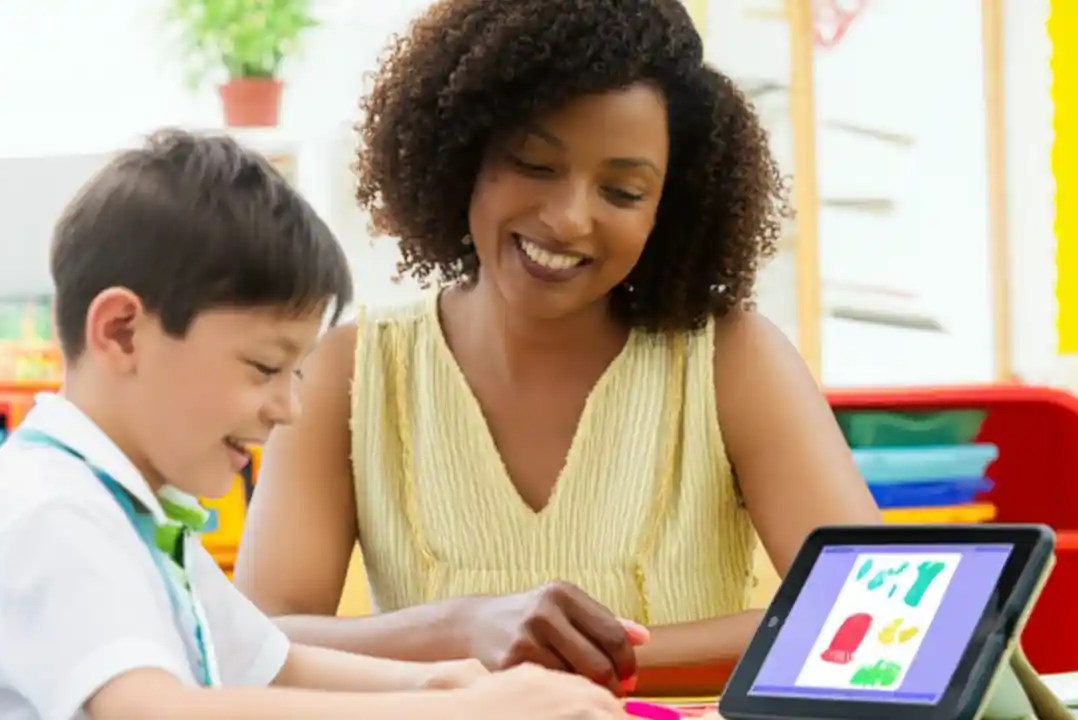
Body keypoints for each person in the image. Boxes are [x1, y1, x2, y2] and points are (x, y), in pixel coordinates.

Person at [235, 0, 881, 698]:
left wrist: (587, 654)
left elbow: (877, 615)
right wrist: (461, 628)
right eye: (535, 164)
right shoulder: (355, 371)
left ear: (672, 207)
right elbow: (256, 637)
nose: (570, 218)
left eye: (623, 191)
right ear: (463, 153)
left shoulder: (731, 360)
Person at [0, 129, 631, 720]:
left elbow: (269, 664)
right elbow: (154, 711)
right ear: (123, 332)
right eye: (264, 368)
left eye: (295, 374)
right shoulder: (53, 513)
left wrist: (449, 686)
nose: (288, 407)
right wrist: (471, 714)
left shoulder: (138, 517)